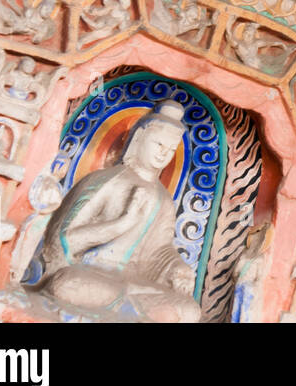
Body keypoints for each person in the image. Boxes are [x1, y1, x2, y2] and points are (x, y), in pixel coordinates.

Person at [32, 100, 202, 322]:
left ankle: (124, 308)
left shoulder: (164, 200)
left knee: (191, 310)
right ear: (139, 140)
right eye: (158, 145)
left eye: (170, 150)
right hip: (89, 273)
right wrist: (120, 224)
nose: (163, 154)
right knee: (67, 285)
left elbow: (160, 250)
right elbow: (63, 239)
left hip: (133, 282)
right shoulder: (107, 180)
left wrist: (178, 269)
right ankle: (132, 311)